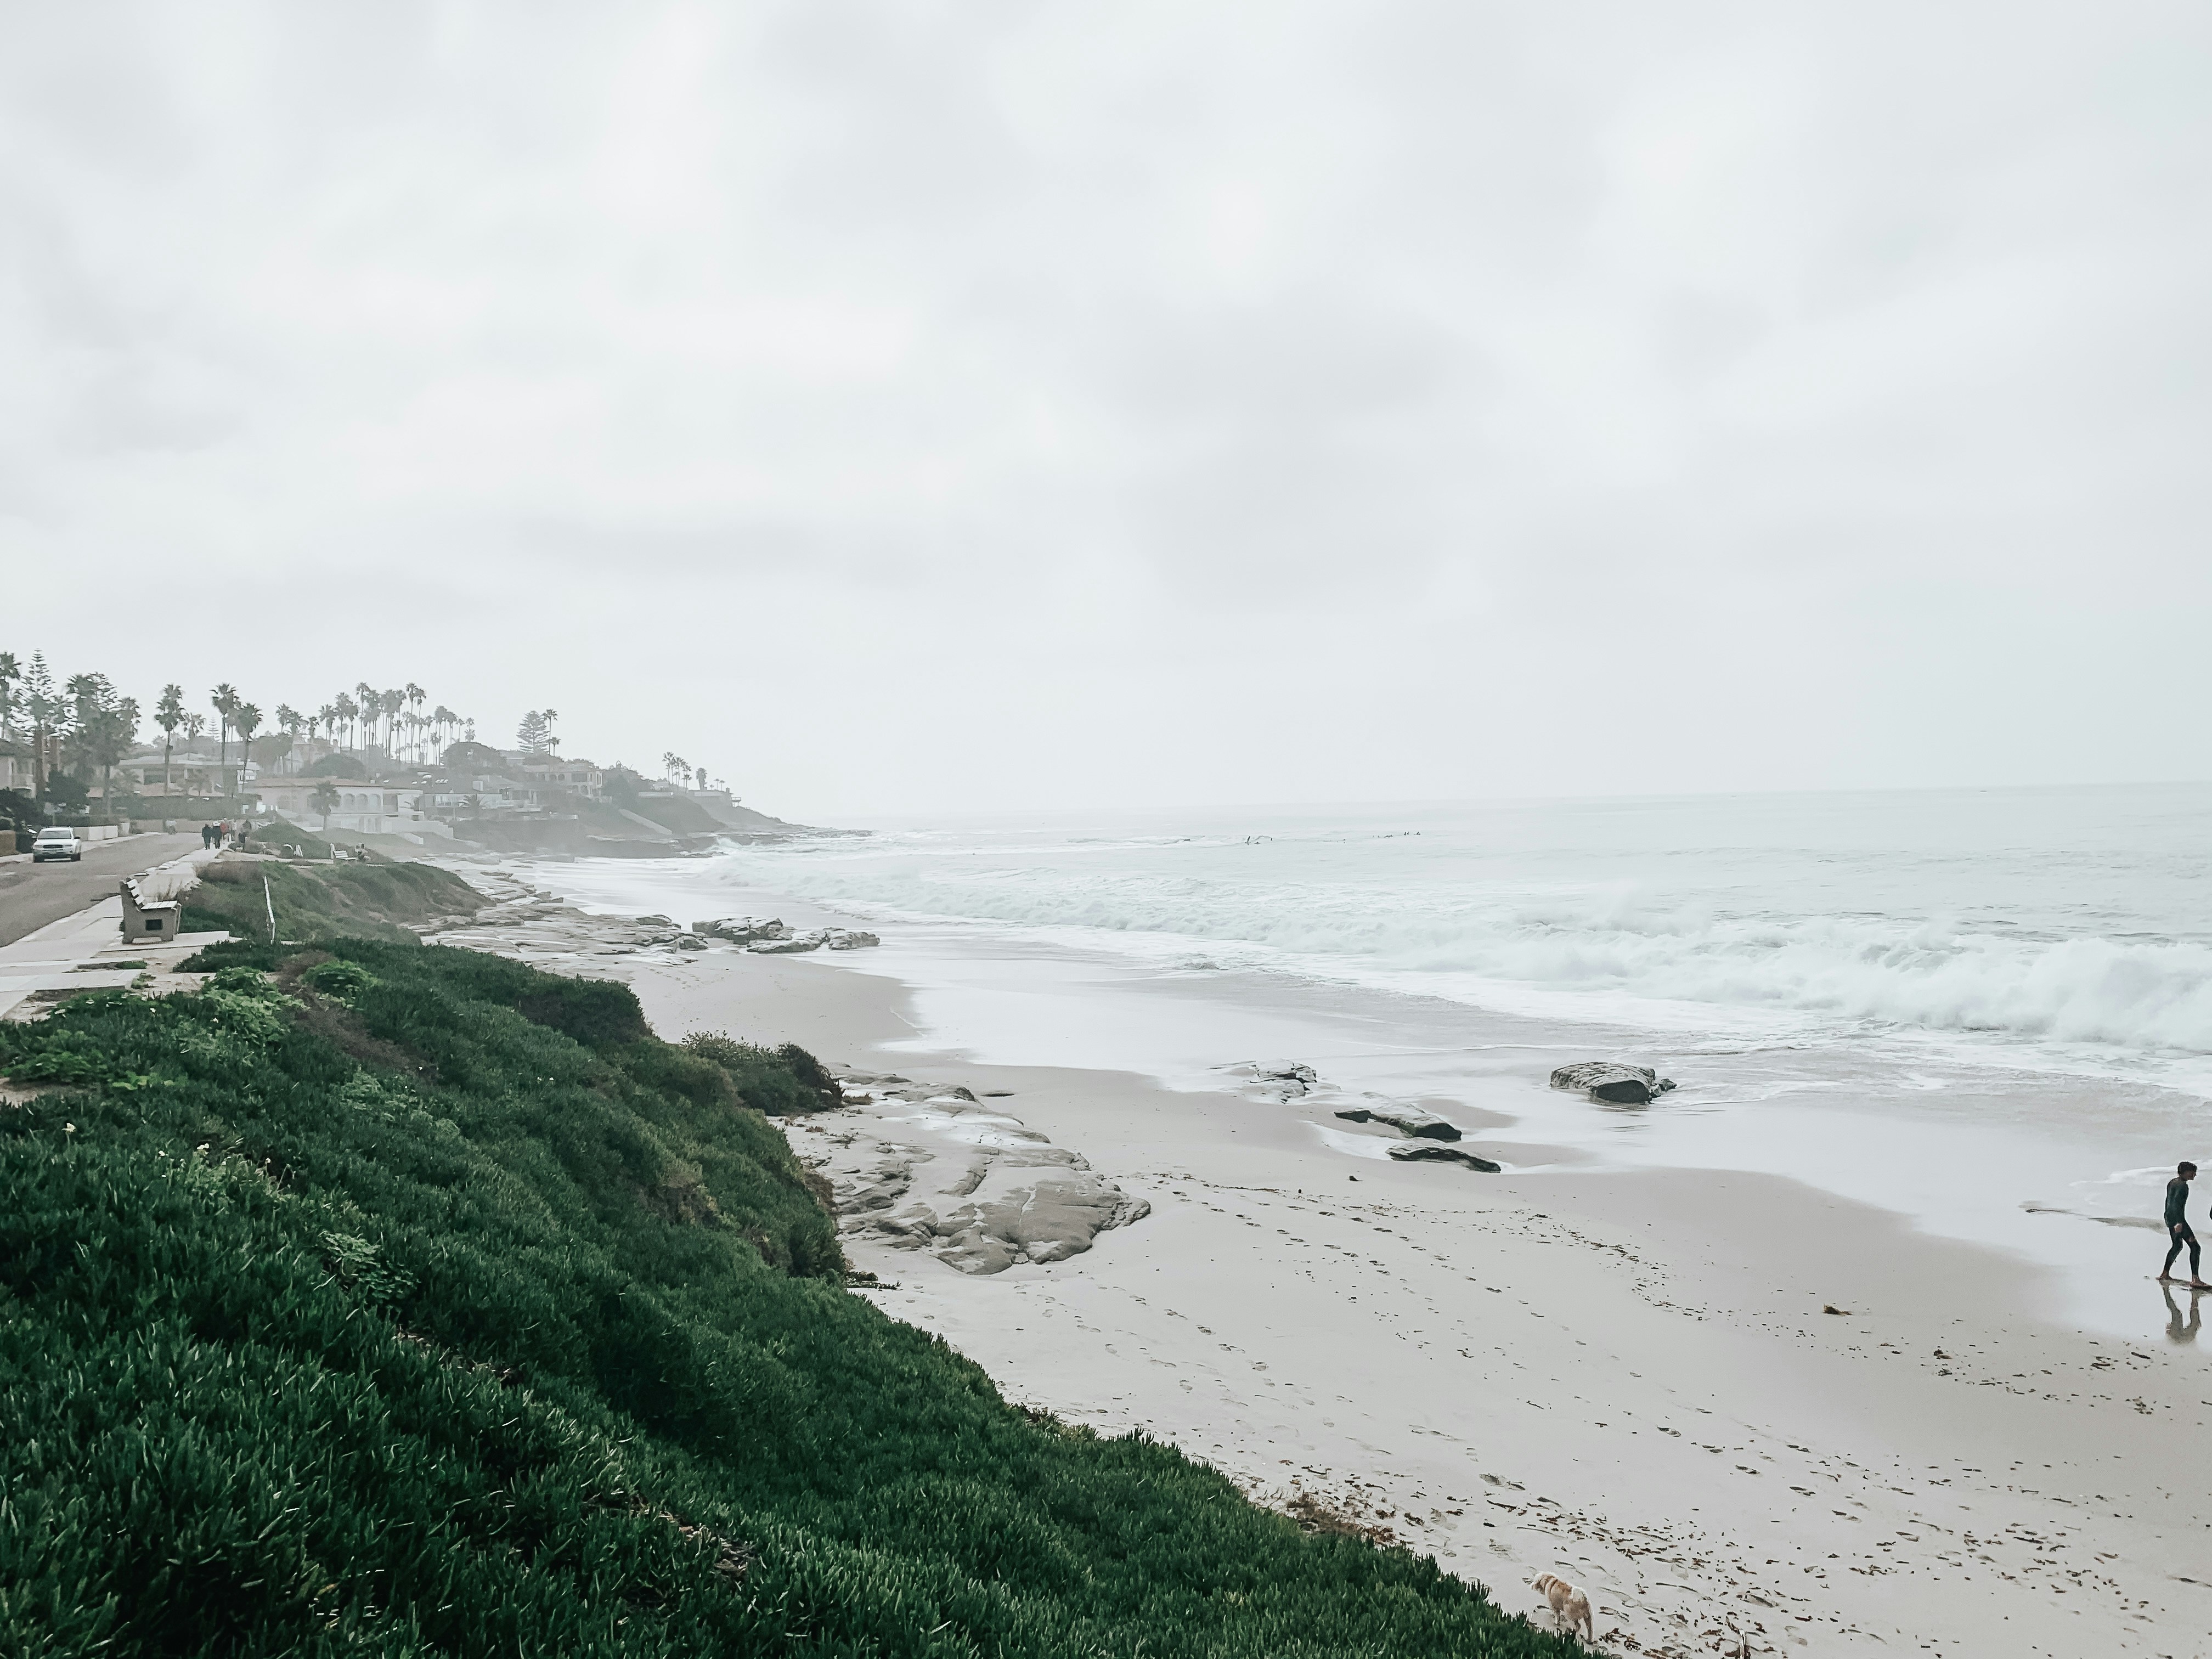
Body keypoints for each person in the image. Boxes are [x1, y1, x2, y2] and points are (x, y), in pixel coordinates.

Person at [2159, 1162, 2209, 1289]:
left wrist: (2170, 1221)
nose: (2195, 1174)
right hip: (2178, 1221)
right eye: (2193, 1172)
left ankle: (2165, 1274)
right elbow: (2175, 1205)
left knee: (2177, 1246)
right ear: (2186, 1172)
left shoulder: (2173, 1182)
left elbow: (2169, 1203)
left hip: (2171, 1218)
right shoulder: (2182, 1187)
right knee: (2195, 1247)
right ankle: (2196, 1279)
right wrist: (2178, 1223)